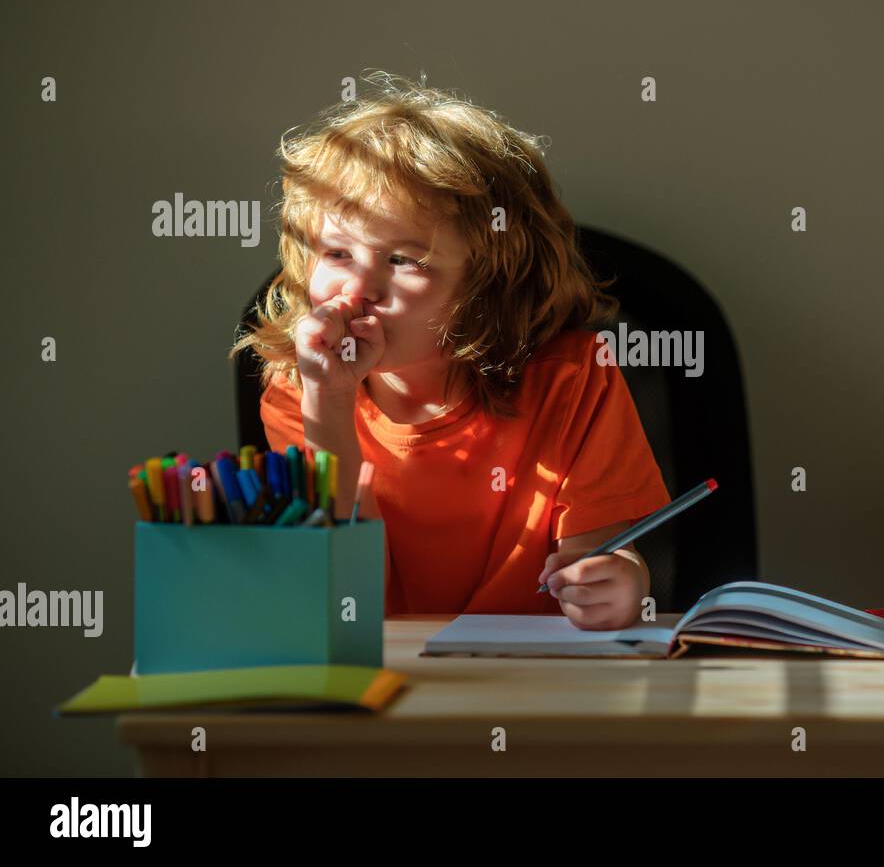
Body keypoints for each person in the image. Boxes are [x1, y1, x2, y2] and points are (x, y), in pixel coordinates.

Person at [229, 71, 670, 630]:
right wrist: (331, 402)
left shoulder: (574, 379)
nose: (358, 289)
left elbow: (599, 561)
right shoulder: (299, 393)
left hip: (537, 680)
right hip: (381, 677)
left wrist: (622, 581)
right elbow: (340, 597)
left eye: (403, 261)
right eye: (337, 252)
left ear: (489, 282)